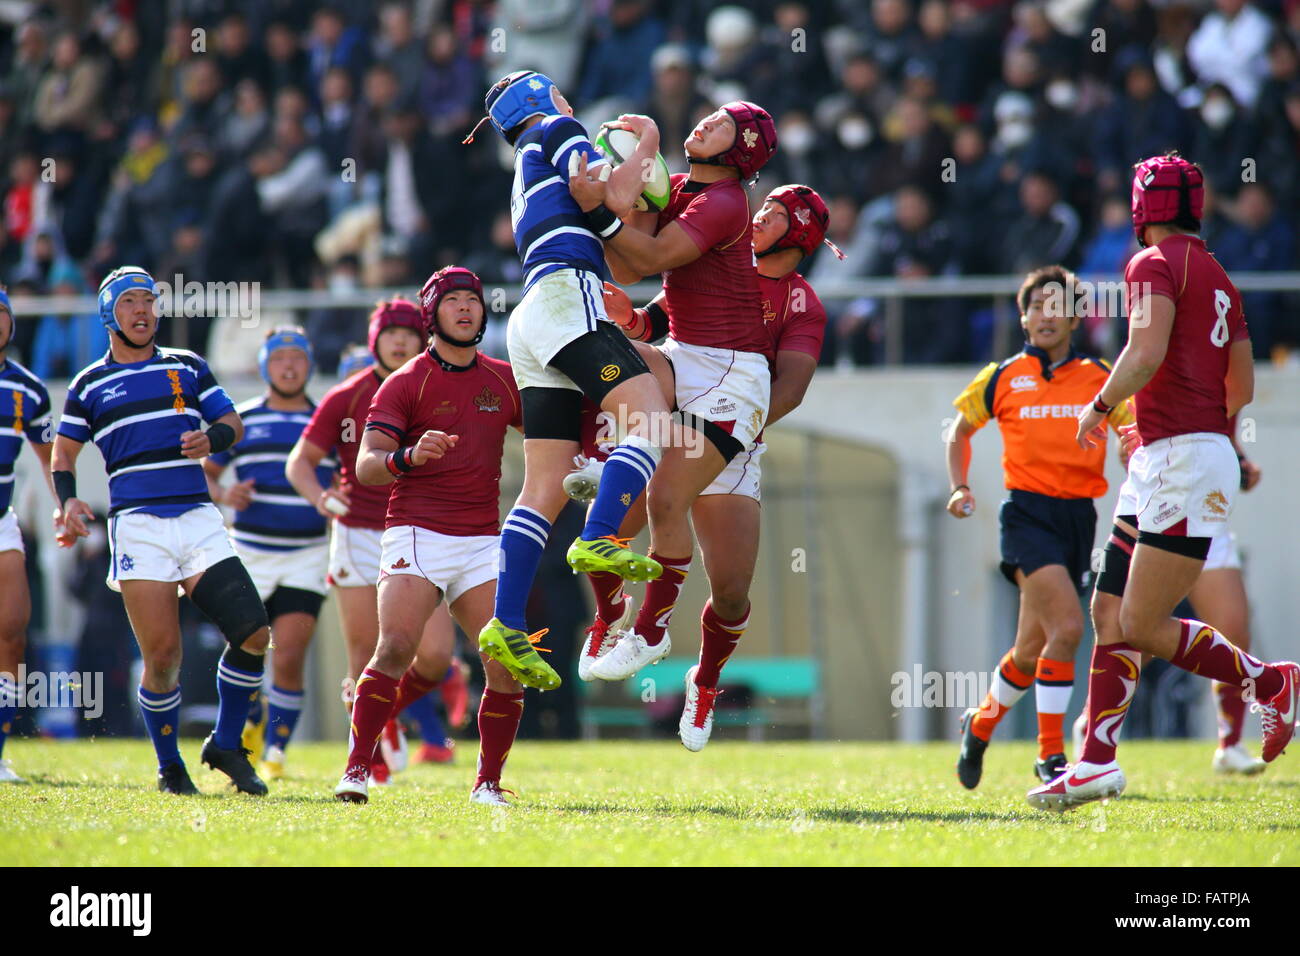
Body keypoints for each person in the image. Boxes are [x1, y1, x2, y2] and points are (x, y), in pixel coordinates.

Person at [1028, 152, 1298, 811]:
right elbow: (1243, 386)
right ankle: (1096, 763)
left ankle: (1271, 683)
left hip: (1175, 458)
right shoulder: (1219, 277)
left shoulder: (1151, 264)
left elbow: (1143, 352)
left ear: (1144, 206)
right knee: (1107, 612)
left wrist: (1098, 408)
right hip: (1176, 456)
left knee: (1143, 622)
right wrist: (1203, 429)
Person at [568, 184, 836, 752]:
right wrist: (631, 320)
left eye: (776, 213)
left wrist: (732, 435)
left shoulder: (800, 301)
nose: (759, 215)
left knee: (733, 592)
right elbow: (655, 326)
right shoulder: (721, 259)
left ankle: (705, 680)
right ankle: (623, 620)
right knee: (607, 528)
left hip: (733, 429)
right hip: (679, 405)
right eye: (761, 207)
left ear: (802, 234)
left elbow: (789, 388)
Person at [464, 71, 680, 692]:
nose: (568, 101)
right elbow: (605, 196)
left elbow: (587, 205)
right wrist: (649, 145)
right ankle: (598, 536)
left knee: (542, 484)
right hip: (566, 293)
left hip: (531, 312)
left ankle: (505, 622)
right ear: (542, 101)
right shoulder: (559, 129)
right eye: (558, 92)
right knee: (647, 415)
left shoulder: (523, 161)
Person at [567, 99, 779, 683]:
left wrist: (601, 214)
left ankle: (651, 634)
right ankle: (610, 612)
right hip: (683, 356)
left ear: (741, 153)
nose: (707, 120)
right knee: (589, 343)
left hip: (732, 376)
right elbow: (632, 271)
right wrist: (627, 191)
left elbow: (657, 255)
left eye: (725, 125)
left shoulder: (726, 200)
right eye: (709, 114)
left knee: (665, 501)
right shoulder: (678, 185)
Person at [52, 266, 270, 796]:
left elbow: (233, 423)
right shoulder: (88, 384)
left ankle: (224, 743)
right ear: (109, 314)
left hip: (198, 518)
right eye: (129, 301)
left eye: (149, 300)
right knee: (163, 658)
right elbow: (64, 454)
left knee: (254, 633)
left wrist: (212, 438)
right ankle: (169, 765)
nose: (143, 310)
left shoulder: (188, 365)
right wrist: (67, 502)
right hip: (139, 527)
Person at [333, 267, 528, 805]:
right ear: (431, 315)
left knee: (506, 661)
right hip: (415, 534)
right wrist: (409, 456)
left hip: (482, 542)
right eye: (453, 301)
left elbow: (551, 430)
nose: (466, 308)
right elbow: (369, 465)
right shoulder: (405, 381)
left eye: (473, 300)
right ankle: (356, 770)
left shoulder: (503, 378)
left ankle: (487, 784)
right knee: (395, 648)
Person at [945, 265, 1133, 788]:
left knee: (1030, 650)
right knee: (1070, 629)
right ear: (1023, 317)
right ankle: (1050, 755)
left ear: (1075, 317)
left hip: (1078, 519)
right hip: (1026, 516)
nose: (1045, 316)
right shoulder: (1002, 376)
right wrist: (959, 486)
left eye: (1057, 306)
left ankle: (978, 725)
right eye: (1035, 307)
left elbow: (1131, 426)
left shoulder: (1101, 376)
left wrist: (1130, 444)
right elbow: (959, 431)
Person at [286, 299, 455, 785]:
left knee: (437, 654)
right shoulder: (348, 396)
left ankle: (388, 717)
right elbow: (300, 462)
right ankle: (371, 748)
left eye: (409, 331)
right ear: (374, 338)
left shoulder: (437, 386)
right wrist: (321, 498)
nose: (400, 340)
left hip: (421, 530)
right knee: (365, 655)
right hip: (358, 533)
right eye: (390, 332)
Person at [203, 327, 333, 779]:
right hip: (251, 555)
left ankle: (275, 752)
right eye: (280, 359)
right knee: (245, 651)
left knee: (291, 655)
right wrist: (225, 492)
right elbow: (205, 472)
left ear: (310, 365)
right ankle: (243, 731)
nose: (290, 366)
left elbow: (347, 477)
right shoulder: (244, 419)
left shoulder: (325, 422)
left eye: (298, 357)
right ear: (265, 366)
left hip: (308, 554)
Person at [0, 288, 58, 783]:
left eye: (1, 311)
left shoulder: (28, 390)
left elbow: (51, 460)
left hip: (2, 521)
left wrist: (67, 507)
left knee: (13, 632)